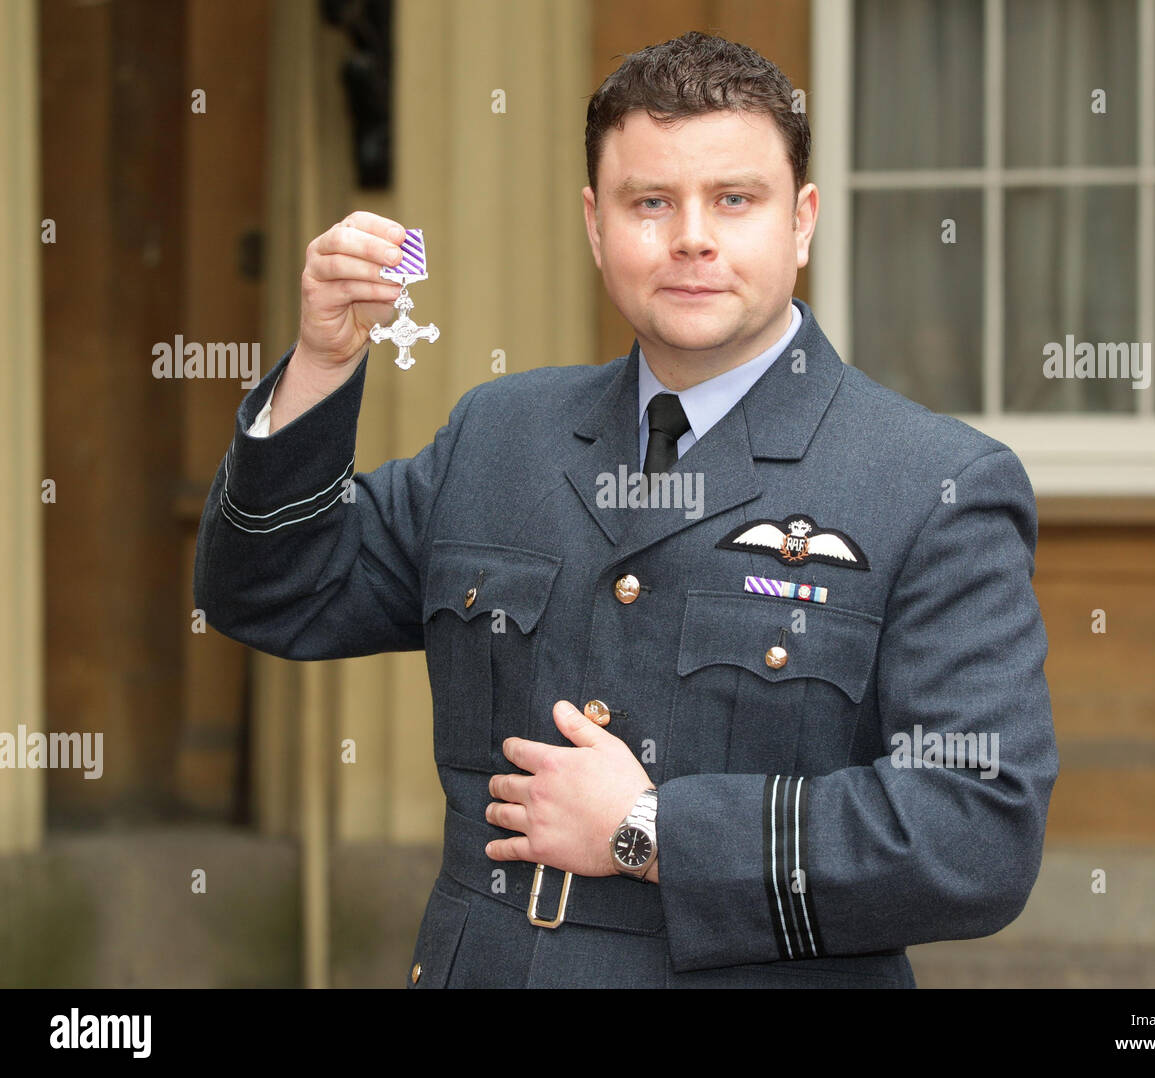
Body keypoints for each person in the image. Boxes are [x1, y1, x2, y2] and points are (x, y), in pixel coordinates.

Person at [194, 30, 1057, 988]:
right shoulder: (500, 435)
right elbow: (272, 591)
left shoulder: (932, 484)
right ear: (597, 226)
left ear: (803, 221)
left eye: (735, 199)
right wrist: (321, 362)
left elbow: (975, 831)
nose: (692, 236)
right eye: (651, 202)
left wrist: (653, 831)